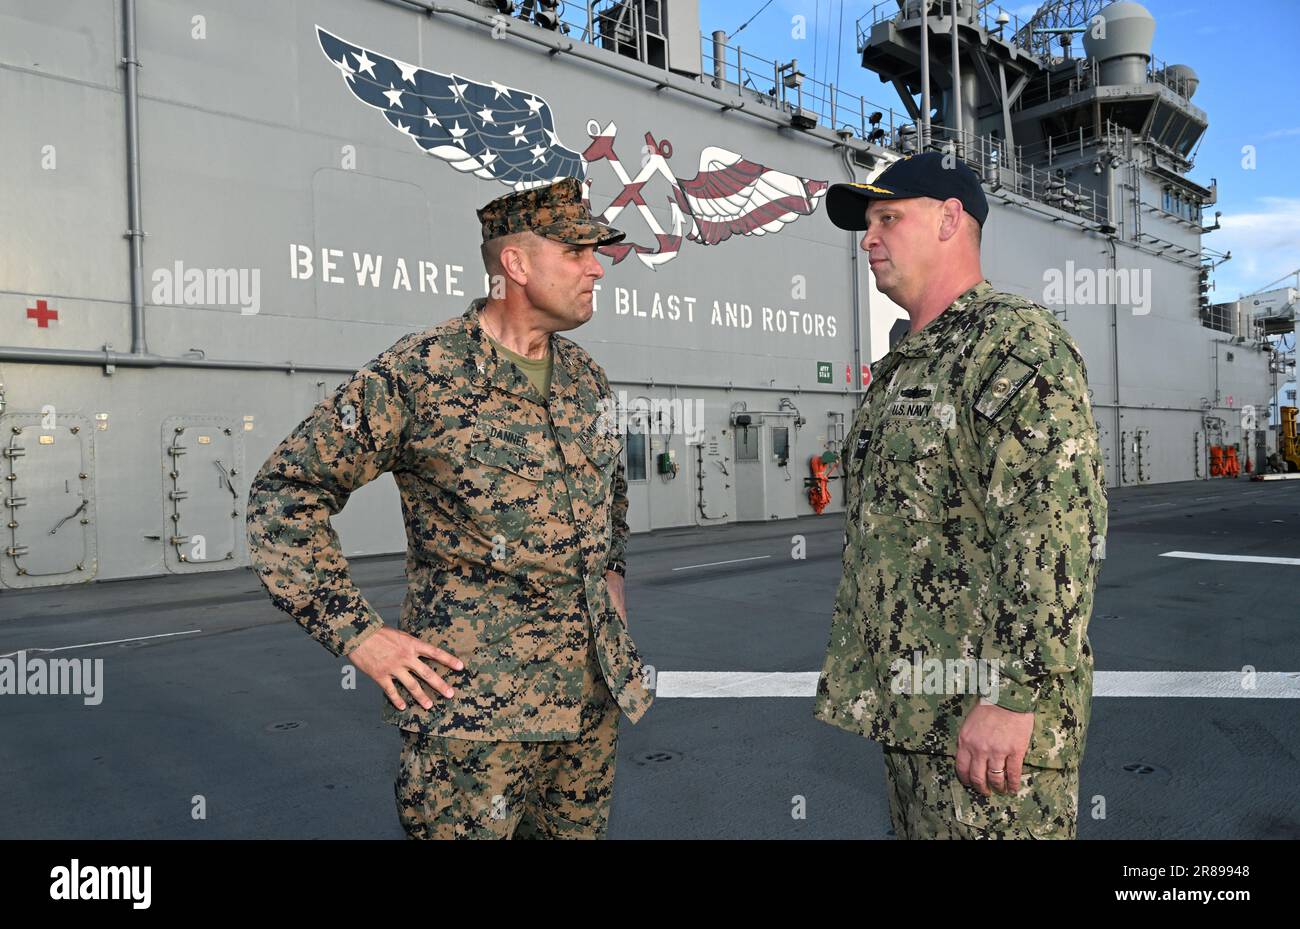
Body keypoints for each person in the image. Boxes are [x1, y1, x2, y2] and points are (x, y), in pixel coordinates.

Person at [246, 177, 654, 839]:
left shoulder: (586, 377)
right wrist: (361, 636)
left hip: (590, 699)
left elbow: (611, 498)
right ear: (517, 265)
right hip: (475, 720)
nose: (595, 266)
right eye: (578, 251)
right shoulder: (420, 372)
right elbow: (285, 495)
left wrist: (611, 584)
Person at [814, 152, 1108, 839]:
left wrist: (1012, 696)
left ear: (951, 220)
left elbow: (1058, 531)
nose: (869, 237)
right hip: (919, 723)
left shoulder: (1013, 342)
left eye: (888, 217)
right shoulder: (905, 364)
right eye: (867, 223)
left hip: (991, 738)